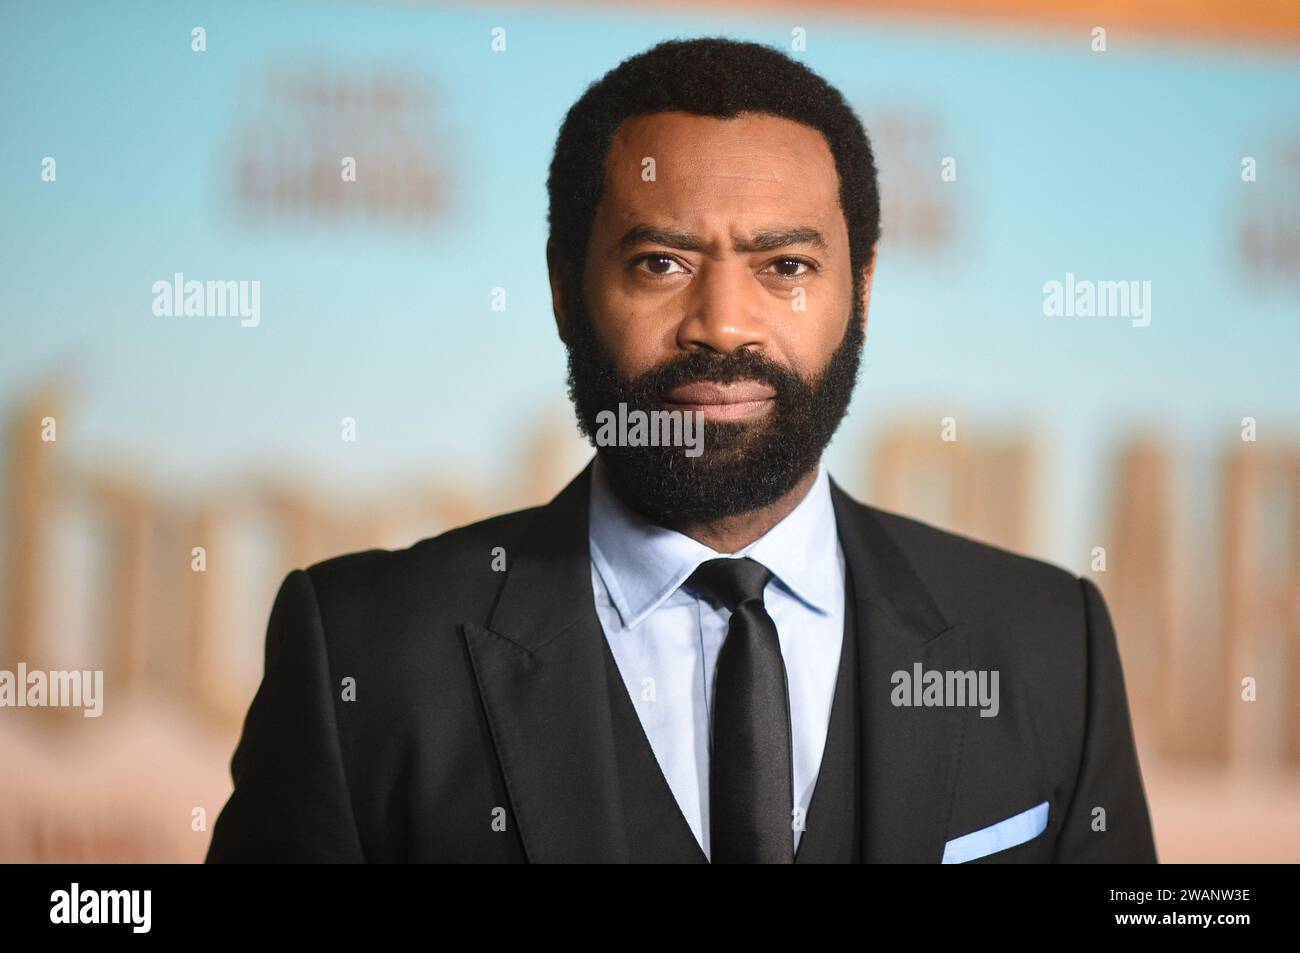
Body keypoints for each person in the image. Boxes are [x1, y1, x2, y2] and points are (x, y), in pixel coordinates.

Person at [206, 37, 1157, 863]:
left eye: (786, 266)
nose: (724, 324)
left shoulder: (1049, 645)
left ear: (861, 291)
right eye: (661, 263)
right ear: (564, 288)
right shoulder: (362, 654)